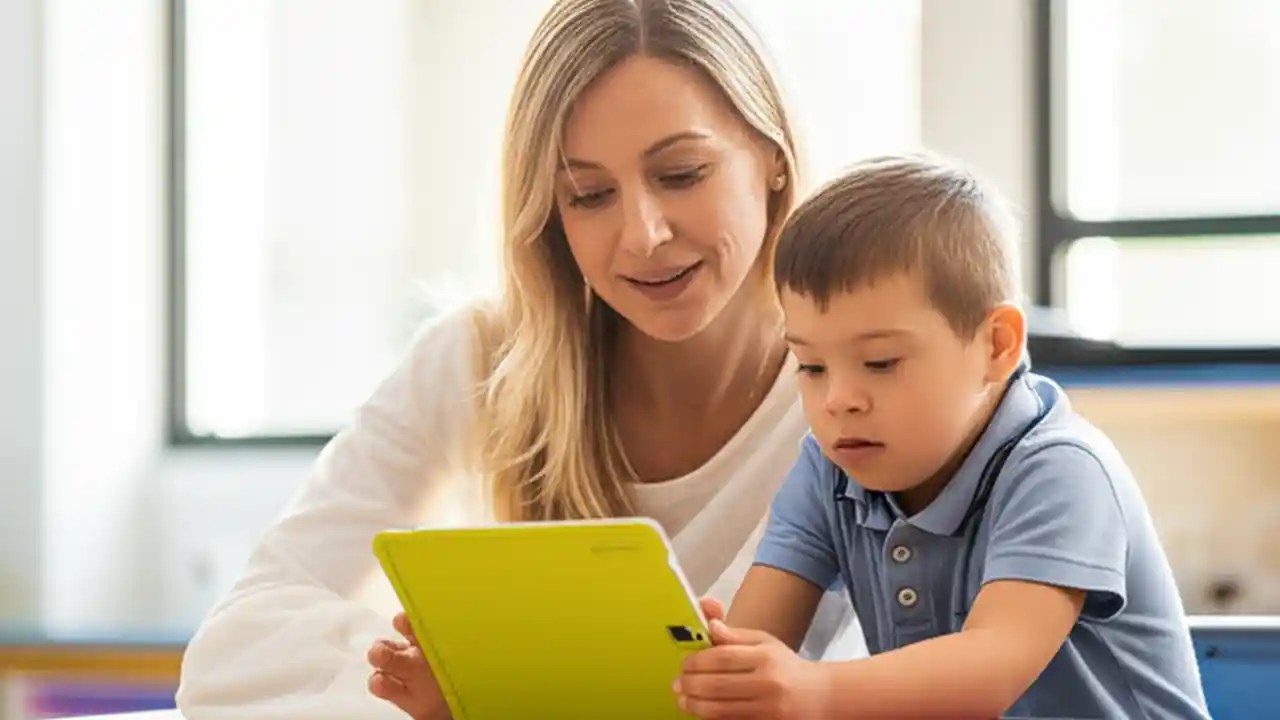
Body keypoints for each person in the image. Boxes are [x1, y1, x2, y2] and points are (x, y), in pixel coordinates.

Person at [175, 1, 868, 718]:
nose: (643, 234)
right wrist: (458, 672)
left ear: (774, 157)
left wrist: (505, 685)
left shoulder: (869, 384)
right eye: (590, 194)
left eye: (682, 173)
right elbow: (234, 649)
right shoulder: (479, 359)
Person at [673, 155, 1211, 719]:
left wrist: (817, 692)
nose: (838, 399)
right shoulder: (829, 469)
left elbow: (990, 668)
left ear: (997, 346)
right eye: (811, 367)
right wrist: (724, 671)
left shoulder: (1061, 470)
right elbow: (759, 630)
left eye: (879, 362)